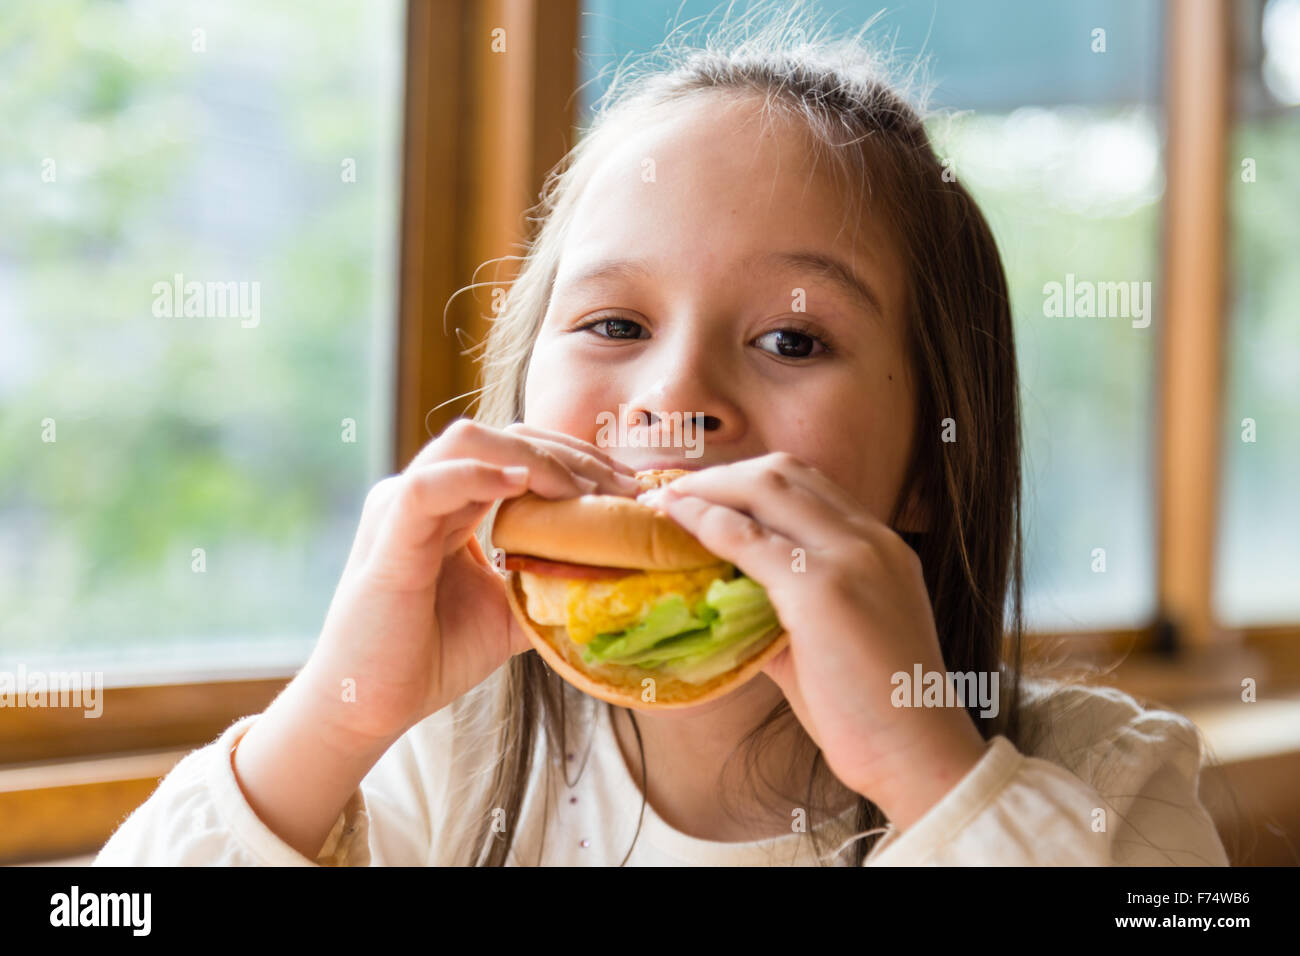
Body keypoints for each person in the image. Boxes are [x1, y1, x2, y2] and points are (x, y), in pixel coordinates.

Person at [94, 4, 1231, 867]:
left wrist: (927, 773)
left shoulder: (1109, 779)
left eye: (791, 341)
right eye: (614, 322)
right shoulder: (431, 765)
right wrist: (330, 713)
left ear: (930, 467)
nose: (674, 399)